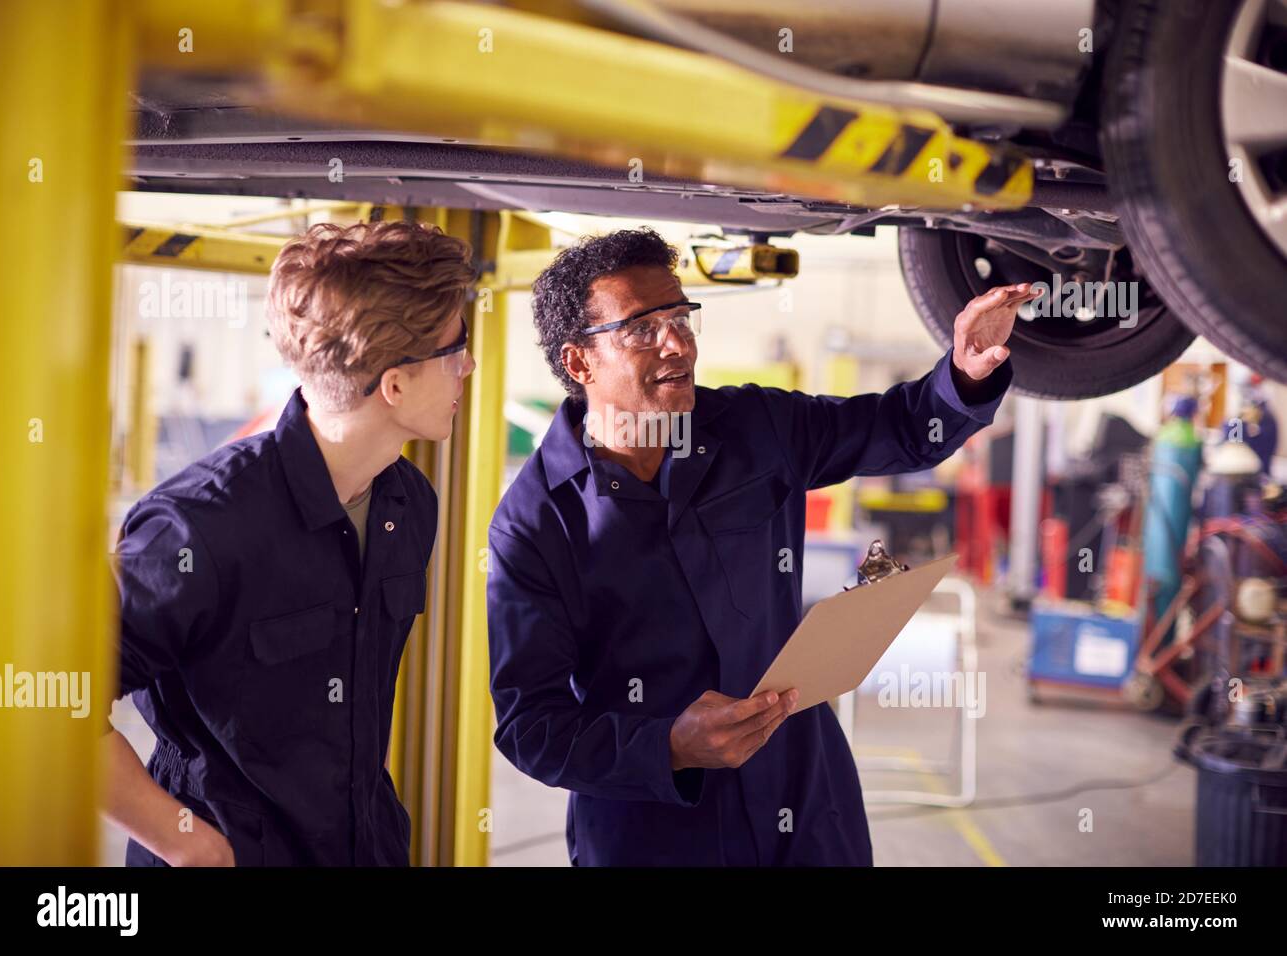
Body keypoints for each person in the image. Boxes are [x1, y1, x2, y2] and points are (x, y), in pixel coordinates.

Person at [487, 227, 1031, 865]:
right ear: (580, 362)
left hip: (804, 803)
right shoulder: (533, 522)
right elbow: (533, 727)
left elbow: (897, 427)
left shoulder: (755, 429)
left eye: (681, 317)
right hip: (656, 832)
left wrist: (963, 374)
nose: (678, 343)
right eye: (642, 328)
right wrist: (670, 747)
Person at [103, 220, 477, 865]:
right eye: (456, 348)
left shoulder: (407, 502)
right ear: (395, 384)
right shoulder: (199, 526)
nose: (469, 365)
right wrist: (189, 846)